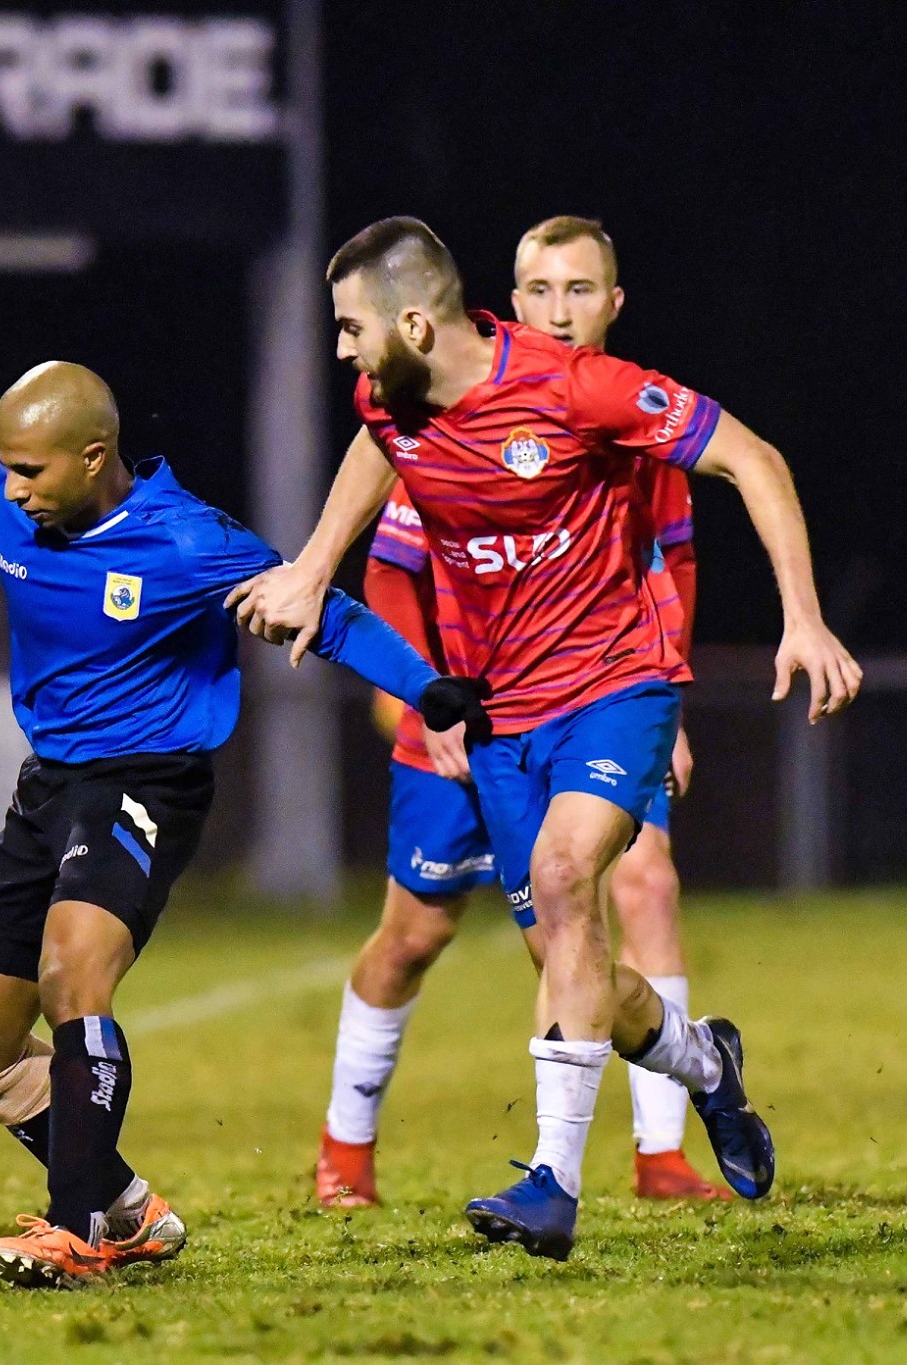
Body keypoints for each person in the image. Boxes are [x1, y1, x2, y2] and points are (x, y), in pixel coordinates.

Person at [0, 360, 488, 1287]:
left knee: (73, 974)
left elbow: (324, 611)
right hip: (49, 787)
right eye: (5, 468)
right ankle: (126, 1207)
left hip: (148, 780)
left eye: (30, 470)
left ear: (95, 456)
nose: (11, 490)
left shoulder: (188, 543)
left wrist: (426, 689)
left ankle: (80, 1230)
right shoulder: (7, 502)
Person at [232, 216, 861, 1261]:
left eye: (350, 329)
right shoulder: (391, 399)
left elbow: (752, 458)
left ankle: (548, 1185)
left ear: (416, 325)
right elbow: (372, 449)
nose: (341, 350)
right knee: (570, 963)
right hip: (497, 719)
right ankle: (705, 1068)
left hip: (616, 687)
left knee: (572, 879)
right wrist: (310, 566)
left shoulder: (576, 389)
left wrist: (801, 613)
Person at [314, 216, 728, 1210]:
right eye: (538, 291)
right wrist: (419, 702)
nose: (558, 311)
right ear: (500, 302)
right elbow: (392, 568)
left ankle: (651, 1156)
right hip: (462, 720)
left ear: (612, 303)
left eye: (578, 290)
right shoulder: (436, 410)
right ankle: (344, 1153)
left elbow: (669, 563)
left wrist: (667, 696)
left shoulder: (629, 421)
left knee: (636, 891)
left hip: (592, 698)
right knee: (414, 935)